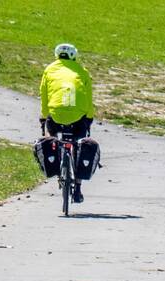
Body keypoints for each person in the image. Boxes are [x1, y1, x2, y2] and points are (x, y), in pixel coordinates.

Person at [39, 43, 95, 203]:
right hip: (78, 116)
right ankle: (77, 187)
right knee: (79, 143)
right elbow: (89, 98)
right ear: (74, 56)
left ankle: (55, 160)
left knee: (49, 134)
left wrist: (44, 117)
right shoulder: (82, 71)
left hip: (56, 114)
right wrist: (89, 117)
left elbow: (44, 96)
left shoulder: (49, 70)